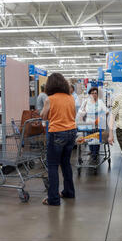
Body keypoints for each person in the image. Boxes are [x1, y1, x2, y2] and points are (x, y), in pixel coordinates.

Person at [41, 73, 77, 206]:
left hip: (57, 133)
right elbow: (73, 114)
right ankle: (69, 192)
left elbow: (44, 117)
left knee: (53, 166)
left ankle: (53, 199)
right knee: (66, 163)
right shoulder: (71, 98)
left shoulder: (49, 99)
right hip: (71, 132)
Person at [77, 87, 108, 162]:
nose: (94, 94)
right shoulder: (86, 101)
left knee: (97, 139)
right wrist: (83, 114)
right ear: (89, 94)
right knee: (89, 138)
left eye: (95, 93)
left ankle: (95, 154)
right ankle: (92, 151)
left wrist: (101, 116)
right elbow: (80, 111)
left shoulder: (100, 102)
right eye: (92, 93)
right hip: (89, 124)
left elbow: (106, 111)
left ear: (97, 94)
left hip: (98, 124)